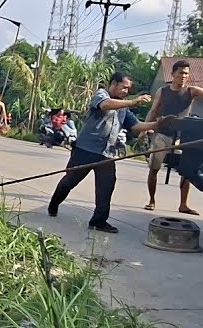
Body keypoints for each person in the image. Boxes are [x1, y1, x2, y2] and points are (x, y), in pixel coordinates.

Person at [47, 72, 170, 234]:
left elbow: (136, 126)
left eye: (128, 89)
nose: (126, 91)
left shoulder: (123, 109)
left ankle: (98, 221)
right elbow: (104, 105)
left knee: (106, 186)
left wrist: (158, 124)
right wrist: (132, 102)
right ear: (114, 83)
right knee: (70, 180)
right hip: (86, 149)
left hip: (107, 153)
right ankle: (54, 204)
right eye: (124, 87)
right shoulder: (101, 95)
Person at [144, 60, 203, 214]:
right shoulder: (163, 91)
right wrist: (144, 129)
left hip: (183, 136)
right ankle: (152, 200)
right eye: (180, 73)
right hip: (163, 133)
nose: (183, 76)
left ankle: (183, 204)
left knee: (187, 170)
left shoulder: (191, 91)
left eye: (186, 73)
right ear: (173, 74)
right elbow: (153, 111)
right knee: (154, 168)